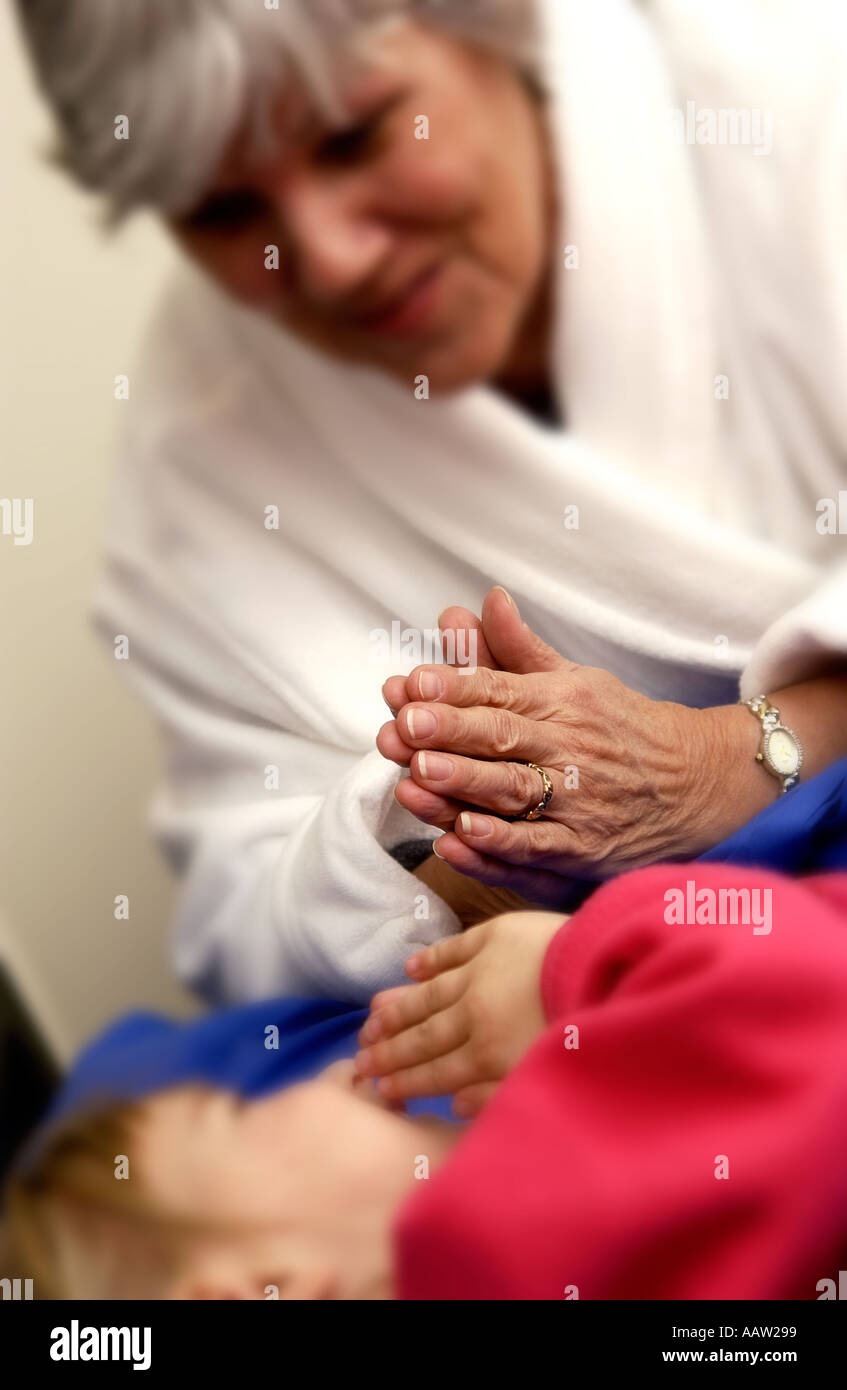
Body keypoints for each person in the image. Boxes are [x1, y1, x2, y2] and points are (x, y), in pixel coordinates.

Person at [14, 0, 847, 1002]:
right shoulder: (201, 452)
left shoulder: (790, 95)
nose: (327, 257)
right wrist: (470, 850)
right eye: (224, 212)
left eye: (355, 136)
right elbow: (252, 908)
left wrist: (723, 765)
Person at [4, 859, 847, 1300]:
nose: (316, 1075)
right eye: (238, 1116)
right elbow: (812, 1011)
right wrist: (571, 964)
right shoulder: (487, 1237)